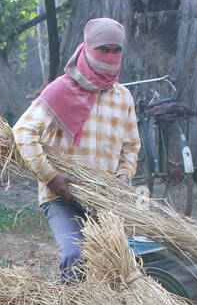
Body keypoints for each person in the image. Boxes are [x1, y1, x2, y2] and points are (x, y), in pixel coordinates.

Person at [12, 17, 141, 282]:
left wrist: (124, 177)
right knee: (76, 255)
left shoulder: (123, 97)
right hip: (63, 197)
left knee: (118, 266)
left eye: (116, 50)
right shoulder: (61, 89)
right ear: (88, 48)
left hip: (104, 198)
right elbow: (22, 132)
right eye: (103, 49)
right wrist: (50, 175)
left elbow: (130, 146)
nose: (110, 56)